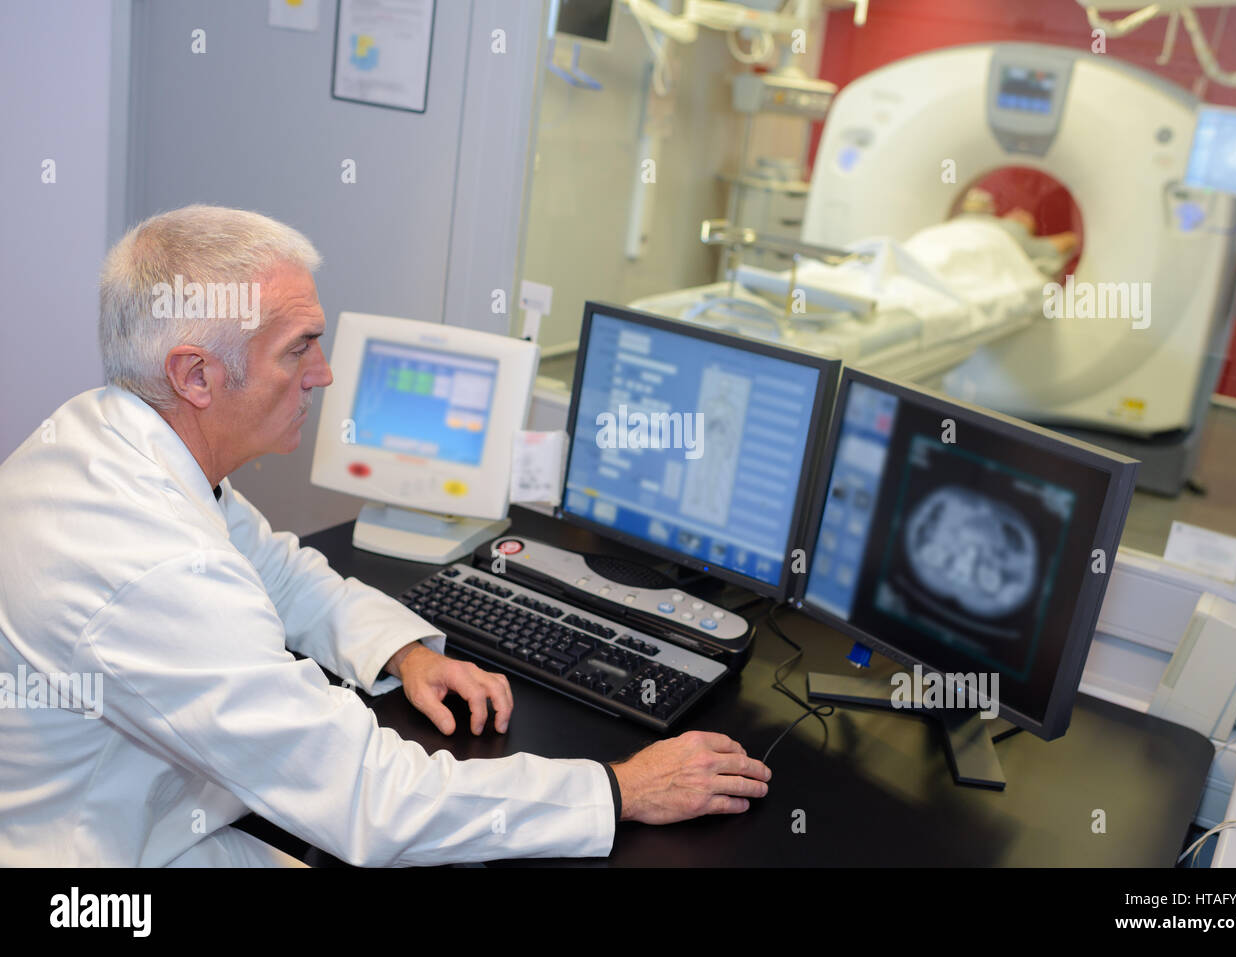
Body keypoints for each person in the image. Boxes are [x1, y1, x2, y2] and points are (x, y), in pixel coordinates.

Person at [0, 205, 771, 867]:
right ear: (196, 375)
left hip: (152, 813)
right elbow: (368, 797)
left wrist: (401, 650)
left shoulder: (109, 431)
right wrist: (618, 789)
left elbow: (273, 566)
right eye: (297, 347)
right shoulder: (154, 565)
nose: (323, 373)